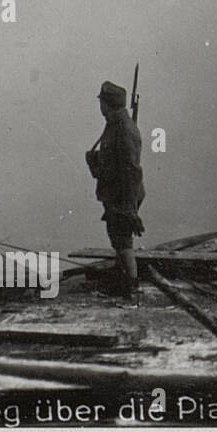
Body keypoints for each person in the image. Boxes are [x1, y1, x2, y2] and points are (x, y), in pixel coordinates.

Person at [85, 81, 146, 300]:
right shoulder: (114, 124)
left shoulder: (124, 129)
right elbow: (114, 161)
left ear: (107, 104)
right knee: (117, 237)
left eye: (101, 102)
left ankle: (131, 287)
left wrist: (130, 210)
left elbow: (131, 170)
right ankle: (123, 281)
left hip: (124, 193)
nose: (100, 106)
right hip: (116, 192)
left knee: (123, 239)